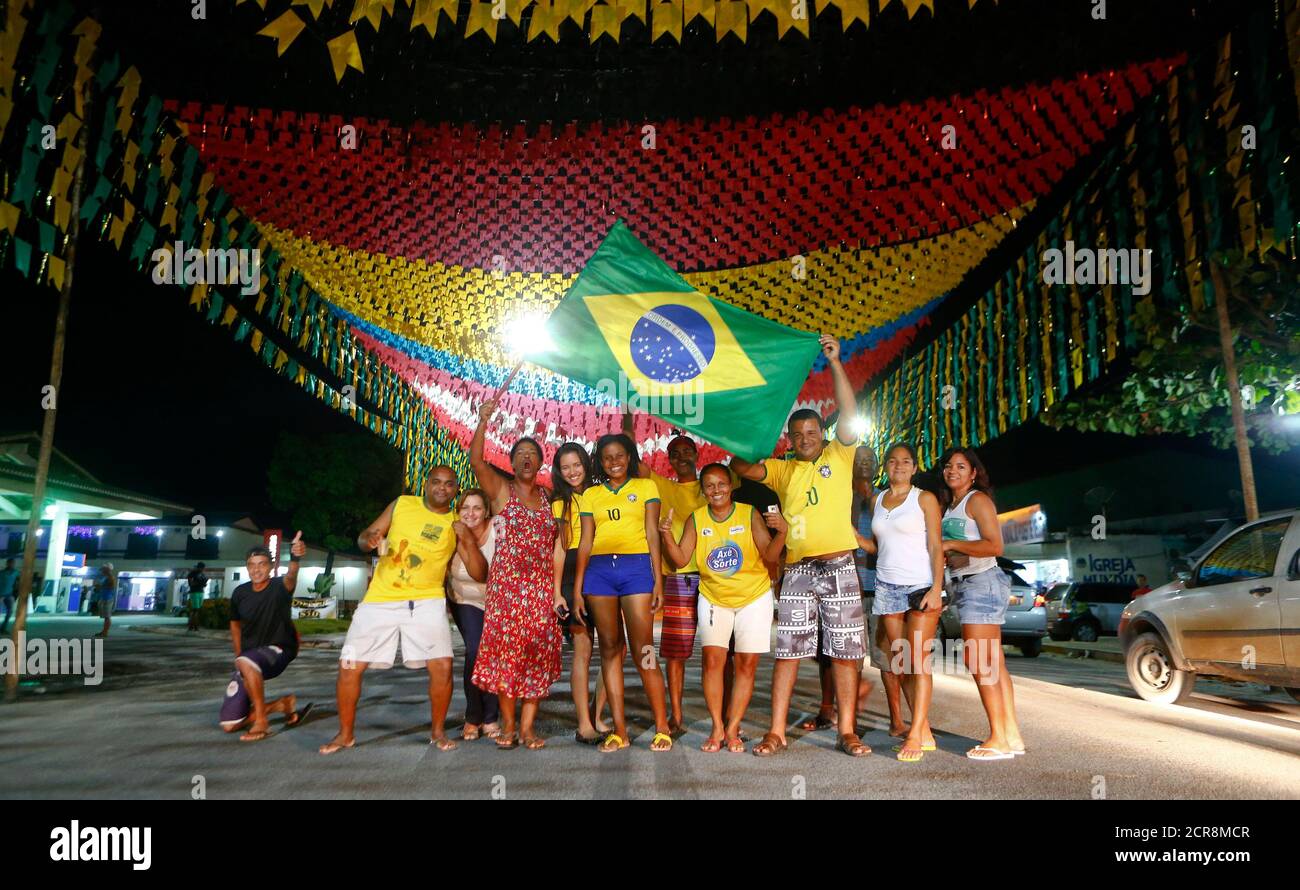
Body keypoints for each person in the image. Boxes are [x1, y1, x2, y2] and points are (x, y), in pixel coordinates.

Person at [731, 334, 871, 758]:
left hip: (840, 566)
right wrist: (754, 422)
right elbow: (740, 465)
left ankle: (847, 730)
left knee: (845, 655)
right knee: (789, 653)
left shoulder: (840, 455)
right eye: (798, 433)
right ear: (789, 438)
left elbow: (849, 410)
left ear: (822, 433)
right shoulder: (782, 470)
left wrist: (835, 363)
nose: (806, 437)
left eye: (812, 431)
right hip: (798, 571)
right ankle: (776, 731)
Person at [319, 466, 487, 754]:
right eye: (436, 482)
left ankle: (437, 732)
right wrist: (370, 539)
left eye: (449, 484)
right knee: (349, 665)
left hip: (427, 601)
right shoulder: (402, 504)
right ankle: (345, 734)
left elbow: (480, 572)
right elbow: (365, 536)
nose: (442, 488)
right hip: (380, 599)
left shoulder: (455, 523)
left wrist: (469, 540)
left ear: (455, 489)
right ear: (426, 484)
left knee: (442, 666)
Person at [623, 411, 741, 737]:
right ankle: (676, 717)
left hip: (715, 578)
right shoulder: (660, 486)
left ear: (697, 453)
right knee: (676, 653)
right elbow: (631, 457)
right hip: (677, 578)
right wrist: (628, 415)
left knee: (722, 651)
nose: (681, 455)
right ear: (669, 459)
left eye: (687, 450)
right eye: (674, 452)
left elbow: (744, 464)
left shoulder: (714, 488)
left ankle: (729, 718)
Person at [659, 463, 786, 752]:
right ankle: (716, 728)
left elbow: (769, 554)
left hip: (754, 597)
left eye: (721, 484)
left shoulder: (748, 513)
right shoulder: (697, 518)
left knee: (746, 664)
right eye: (709, 486)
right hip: (714, 597)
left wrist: (782, 533)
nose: (716, 490)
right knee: (713, 661)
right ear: (703, 491)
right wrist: (666, 535)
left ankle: (732, 729)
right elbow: (680, 560)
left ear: (731, 485)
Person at [468, 401, 563, 749]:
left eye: (532, 454)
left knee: (535, 657)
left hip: (540, 589)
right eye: (520, 453)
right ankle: (508, 726)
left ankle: (527, 729)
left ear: (540, 463)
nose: (526, 458)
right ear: (511, 461)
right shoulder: (500, 490)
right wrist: (483, 420)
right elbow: (477, 461)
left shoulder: (550, 498)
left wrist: (556, 592)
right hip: (507, 588)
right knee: (508, 658)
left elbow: (559, 547)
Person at [574, 432, 673, 753]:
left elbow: (652, 535)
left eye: (620, 455)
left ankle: (662, 727)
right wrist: (577, 589)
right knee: (610, 650)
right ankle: (619, 731)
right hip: (599, 573)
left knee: (644, 650)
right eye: (607, 457)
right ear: (599, 462)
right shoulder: (591, 495)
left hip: (636, 571)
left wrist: (657, 580)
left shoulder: (645, 488)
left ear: (630, 457)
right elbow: (586, 542)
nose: (614, 462)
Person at [939, 446, 1025, 760]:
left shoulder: (978, 500)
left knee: (979, 661)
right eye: (949, 466)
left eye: (961, 466)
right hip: (968, 585)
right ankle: (1010, 734)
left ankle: (998, 738)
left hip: (983, 583)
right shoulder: (951, 507)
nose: (953, 471)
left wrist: (950, 543)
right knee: (994, 664)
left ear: (974, 473)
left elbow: (995, 545)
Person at [862, 442, 945, 763]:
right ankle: (923, 729)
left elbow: (936, 546)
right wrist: (854, 538)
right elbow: (877, 546)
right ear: (886, 466)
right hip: (886, 587)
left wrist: (936, 588)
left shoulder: (924, 498)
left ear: (914, 467)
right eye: (893, 461)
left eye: (905, 461)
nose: (898, 466)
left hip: (920, 585)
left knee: (917, 661)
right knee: (900, 662)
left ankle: (915, 732)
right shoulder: (877, 499)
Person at [219, 538, 313, 741]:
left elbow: (292, 574)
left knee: (247, 661)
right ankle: (281, 705)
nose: (256, 570)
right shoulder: (240, 593)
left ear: (271, 567)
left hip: (280, 649)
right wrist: (238, 655)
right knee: (230, 724)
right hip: (248, 659)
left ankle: (261, 721)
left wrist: (295, 556)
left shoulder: (280, 586)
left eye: (262, 564)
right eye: (251, 565)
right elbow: (235, 624)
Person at [552, 441, 611, 744]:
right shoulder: (559, 503)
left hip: (604, 568)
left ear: (586, 465)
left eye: (577, 465)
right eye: (566, 467)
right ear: (559, 472)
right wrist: (556, 593)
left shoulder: (601, 493)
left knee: (614, 650)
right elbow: (560, 550)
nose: (572, 472)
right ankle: (584, 723)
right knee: (583, 649)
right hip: (573, 570)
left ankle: (598, 714)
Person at [447, 488, 500, 740]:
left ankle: (491, 716)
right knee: (476, 650)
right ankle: (473, 716)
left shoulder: (499, 528)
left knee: (494, 654)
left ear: (487, 511)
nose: (471, 513)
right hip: (464, 599)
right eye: (465, 508)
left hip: (497, 601)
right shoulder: (450, 530)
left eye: (477, 508)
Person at [92, 562, 117, 638]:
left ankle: (105, 632)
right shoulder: (105, 577)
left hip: (108, 598)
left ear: (107, 570)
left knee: (107, 616)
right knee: (105, 616)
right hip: (104, 597)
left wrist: (100, 586)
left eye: (103, 569)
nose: (102, 571)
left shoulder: (110, 577)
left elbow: (111, 587)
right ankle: (104, 631)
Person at [186, 562, 209, 632]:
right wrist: (197, 583)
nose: (203, 569)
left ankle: (193, 626)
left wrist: (204, 584)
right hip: (194, 592)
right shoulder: (193, 573)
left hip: (200, 591)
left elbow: (203, 582)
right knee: (195, 610)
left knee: (197, 610)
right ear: (199, 567)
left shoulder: (202, 574)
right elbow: (190, 583)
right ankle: (193, 626)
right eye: (202, 568)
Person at [0, 558, 17, 632]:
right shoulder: (2, 573)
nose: (12, 565)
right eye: (10, 563)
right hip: (1, 594)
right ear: (7, 564)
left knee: (10, 612)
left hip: (9, 594)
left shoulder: (16, 572)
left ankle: (3, 628)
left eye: (13, 563)